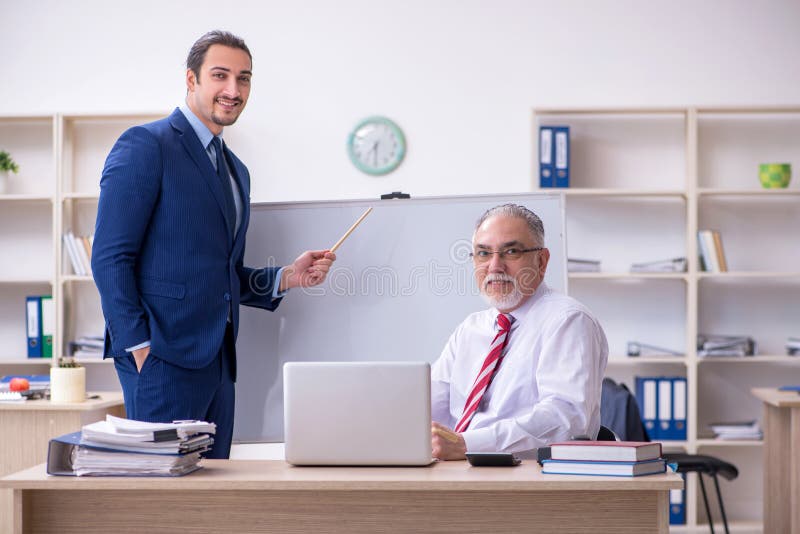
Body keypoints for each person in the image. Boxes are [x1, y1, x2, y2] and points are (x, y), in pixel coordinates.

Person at [91, 30, 335, 459]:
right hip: (161, 359)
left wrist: (286, 277)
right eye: (220, 75)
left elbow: (222, 276)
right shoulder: (147, 145)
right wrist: (140, 347)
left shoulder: (235, 170)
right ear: (191, 79)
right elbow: (110, 257)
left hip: (219, 365)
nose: (233, 90)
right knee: (162, 504)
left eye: (244, 79)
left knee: (212, 500)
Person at [430, 203, 608, 460]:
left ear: (542, 260)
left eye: (511, 251)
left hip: (529, 479)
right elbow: (429, 405)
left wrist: (468, 444)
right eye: (483, 253)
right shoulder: (471, 328)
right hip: (462, 472)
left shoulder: (568, 321)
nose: (494, 266)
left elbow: (565, 418)